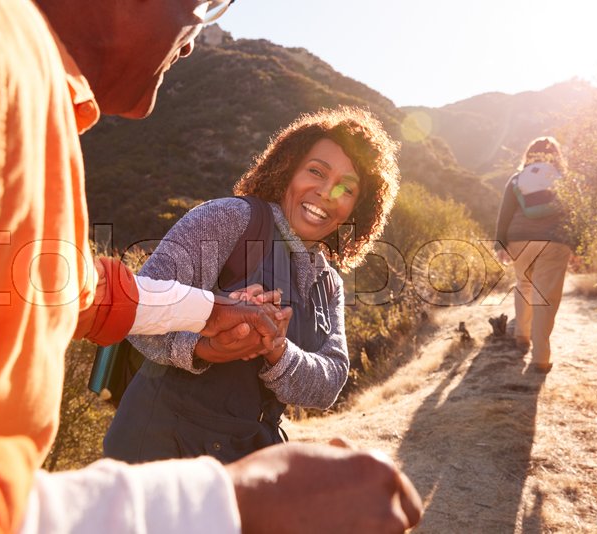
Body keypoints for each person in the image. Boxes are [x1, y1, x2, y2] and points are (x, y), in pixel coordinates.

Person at [0, 0, 421, 532]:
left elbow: (65, 287)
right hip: (163, 446)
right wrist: (225, 507)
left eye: (346, 187)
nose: (198, 35)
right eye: (205, 3)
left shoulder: (37, 92)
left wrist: (217, 316)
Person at [104, 107, 400, 464]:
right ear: (288, 170)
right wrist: (205, 343)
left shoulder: (329, 283)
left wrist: (276, 348)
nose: (325, 192)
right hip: (157, 454)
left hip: (247, 462)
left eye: (345, 188)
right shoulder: (229, 219)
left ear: (357, 208)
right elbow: (138, 310)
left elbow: (330, 383)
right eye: (316, 171)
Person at [494, 136, 574, 373]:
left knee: (524, 285)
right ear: (556, 156)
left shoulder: (518, 179)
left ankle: (521, 335)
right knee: (545, 298)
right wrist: (581, 247)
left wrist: (500, 244)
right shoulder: (564, 180)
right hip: (554, 242)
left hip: (519, 239)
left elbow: (505, 211)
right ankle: (540, 358)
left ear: (529, 155)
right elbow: (574, 214)